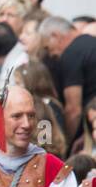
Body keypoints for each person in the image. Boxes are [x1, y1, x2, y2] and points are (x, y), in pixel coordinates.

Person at [39, 16, 96, 145]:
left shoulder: (70, 55)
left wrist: (67, 143)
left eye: (48, 48)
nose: (51, 55)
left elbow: (73, 110)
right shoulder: (92, 43)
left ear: (55, 36)